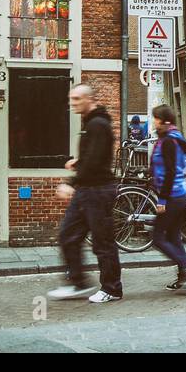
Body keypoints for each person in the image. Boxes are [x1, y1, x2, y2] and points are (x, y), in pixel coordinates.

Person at [48, 84, 122, 304]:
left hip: (97, 190)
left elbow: (95, 160)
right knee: (68, 236)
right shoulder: (91, 123)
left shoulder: (98, 124)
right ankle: (77, 282)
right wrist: (79, 162)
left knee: (102, 242)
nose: (72, 103)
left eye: (77, 99)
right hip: (87, 190)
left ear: (89, 99)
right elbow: (93, 156)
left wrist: (72, 182)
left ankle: (112, 289)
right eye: (71, 99)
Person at [148, 104, 186, 292]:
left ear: (164, 121)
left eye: (156, 118)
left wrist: (162, 200)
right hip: (179, 194)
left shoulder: (168, 141)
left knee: (157, 237)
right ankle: (184, 279)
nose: (154, 122)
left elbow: (170, 172)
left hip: (172, 196)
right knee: (173, 237)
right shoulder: (174, 138)